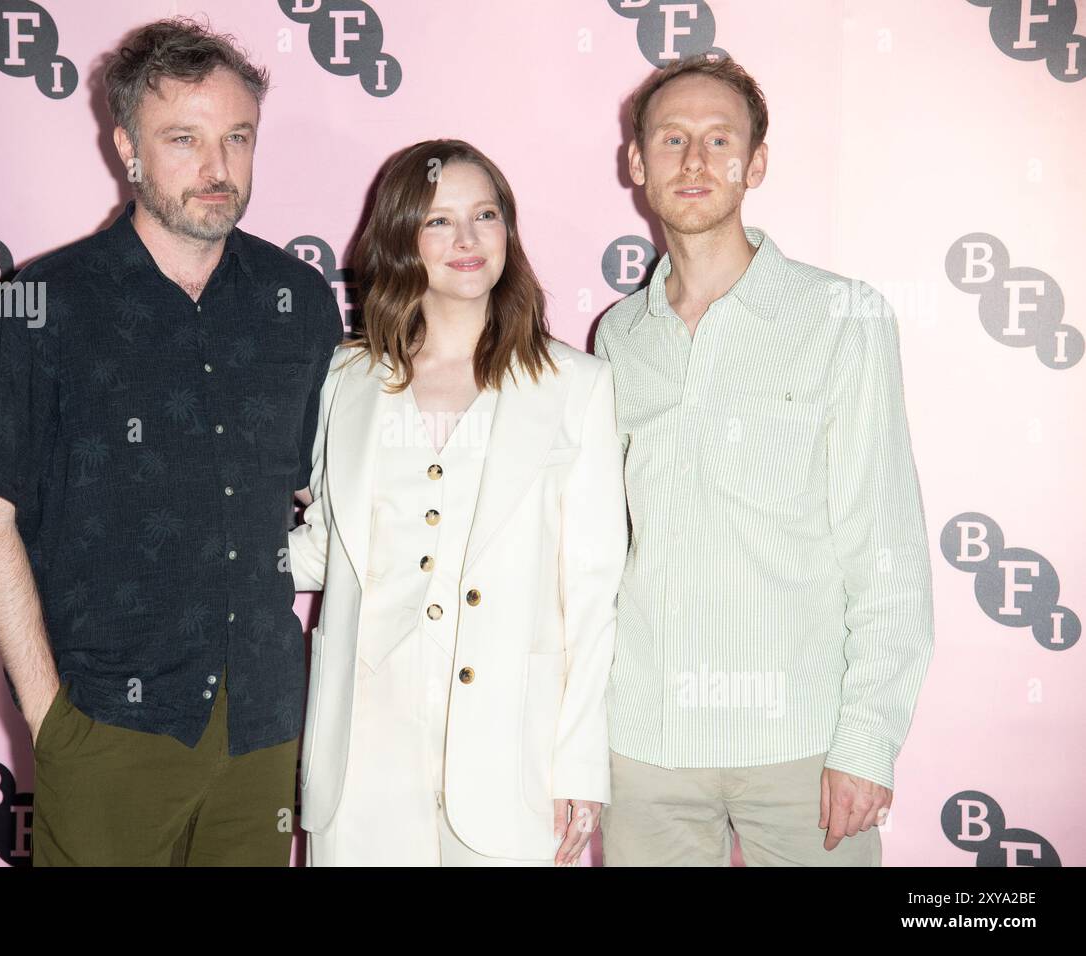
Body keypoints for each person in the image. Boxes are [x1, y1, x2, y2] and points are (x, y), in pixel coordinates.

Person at [0, 18, 342, 866]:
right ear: (126, 146)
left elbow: (323, 494)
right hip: (107, 730)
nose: (217, 168)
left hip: (265, 731)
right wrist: (50, 715)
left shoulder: (298, 299)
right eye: (183, 139)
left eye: (237, 137)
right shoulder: (36, 304)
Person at [595, 55, 934, 866]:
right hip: (645, 745)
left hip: (805, 747)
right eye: (671, 140)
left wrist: (866, 742)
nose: (695, 161)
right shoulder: (618, 337)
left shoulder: (842, 318)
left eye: (720, 139)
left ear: (757, 161)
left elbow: (885, 546)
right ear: (637, 164)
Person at [287, 139, 627, 866]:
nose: (468, 239)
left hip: (510, 756)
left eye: (486, 215)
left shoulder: (576, 385)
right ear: (401, 237)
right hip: (363, 754)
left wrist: (579, 765)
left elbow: (595, 592)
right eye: (439, 221)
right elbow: (320, 547)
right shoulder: (347, 376)